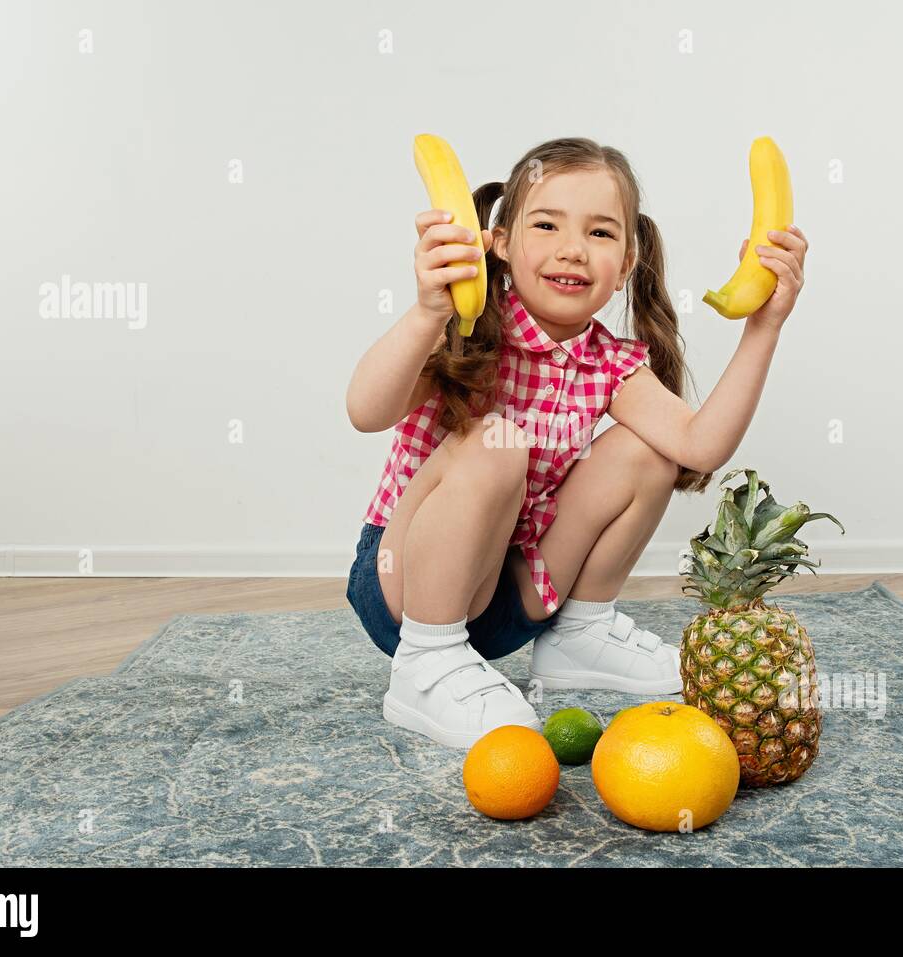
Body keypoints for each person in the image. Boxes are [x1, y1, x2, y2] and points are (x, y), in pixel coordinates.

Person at [345, 137, 808, 748]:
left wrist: (763, 327)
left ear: (626, 265)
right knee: (498, 440)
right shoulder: (463, 325)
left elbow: (700, 446)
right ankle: (426, 665)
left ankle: (578, 634)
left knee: (649, 449)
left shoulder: (608, 365)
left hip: (512, 601)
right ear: (501, 242)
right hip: (404, 587)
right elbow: (365, 411)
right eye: (546, 224)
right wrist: (428, 311)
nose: (572, 249)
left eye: (600, 233)